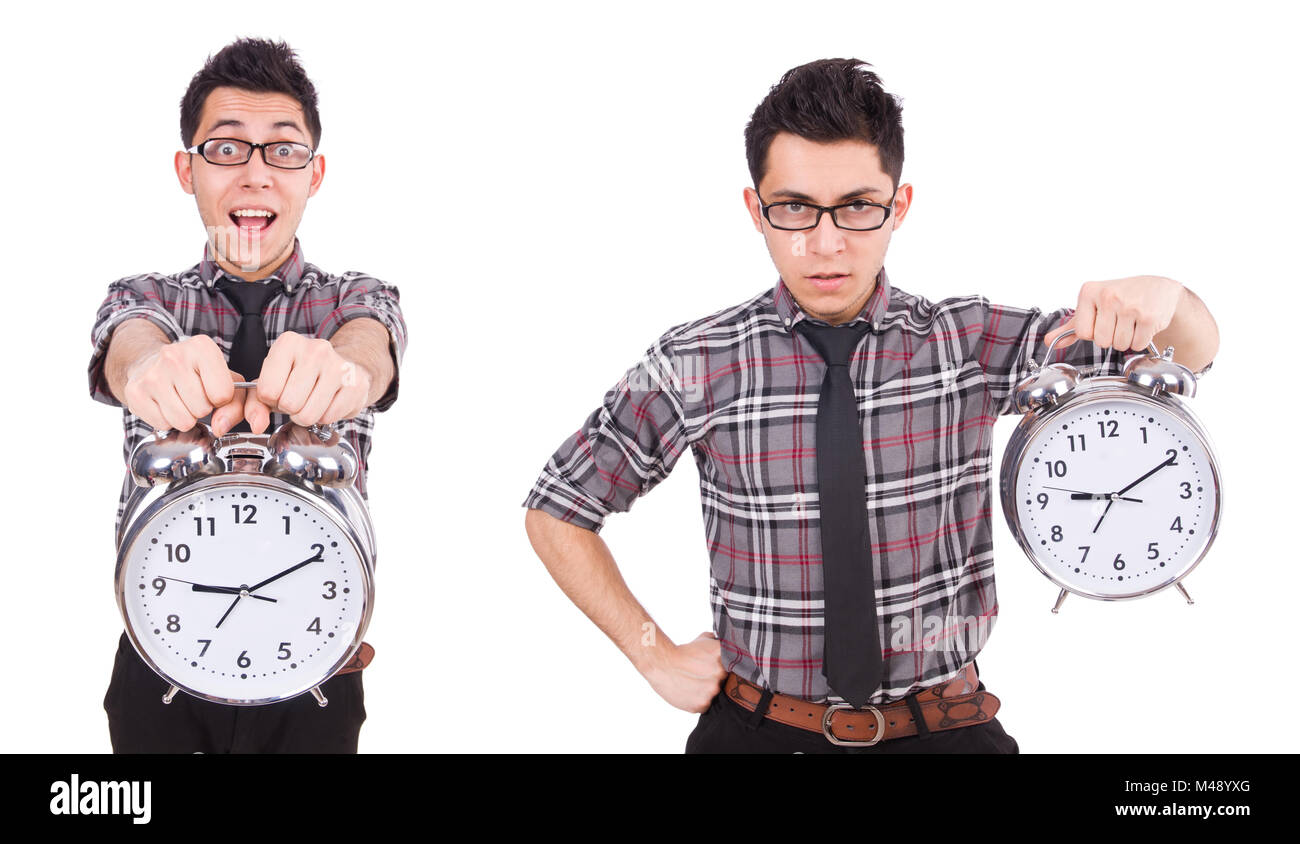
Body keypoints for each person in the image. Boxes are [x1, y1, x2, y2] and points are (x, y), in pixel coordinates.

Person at [522, 58, 1218, 753]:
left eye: (858, 206)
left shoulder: (967, 340)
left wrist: (1170, 297)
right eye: (793, 207)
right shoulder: (695, 359)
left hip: (947, 731)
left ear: (899, 205)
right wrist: (652, 652)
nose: (827, 244)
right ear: (754, 210)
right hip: (757, 732)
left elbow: (1186, 356)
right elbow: (558, 507)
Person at [89, 38, 407, 753]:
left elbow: (370, 345)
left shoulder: (354, 299)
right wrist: (146, 370)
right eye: (226, 149)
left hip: (317, 667)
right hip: (160, 659)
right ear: (188, 169)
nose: (256, 175)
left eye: (283, 151)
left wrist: (347, 373)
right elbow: (128, 341)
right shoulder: (146, 299)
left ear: (314, 173)